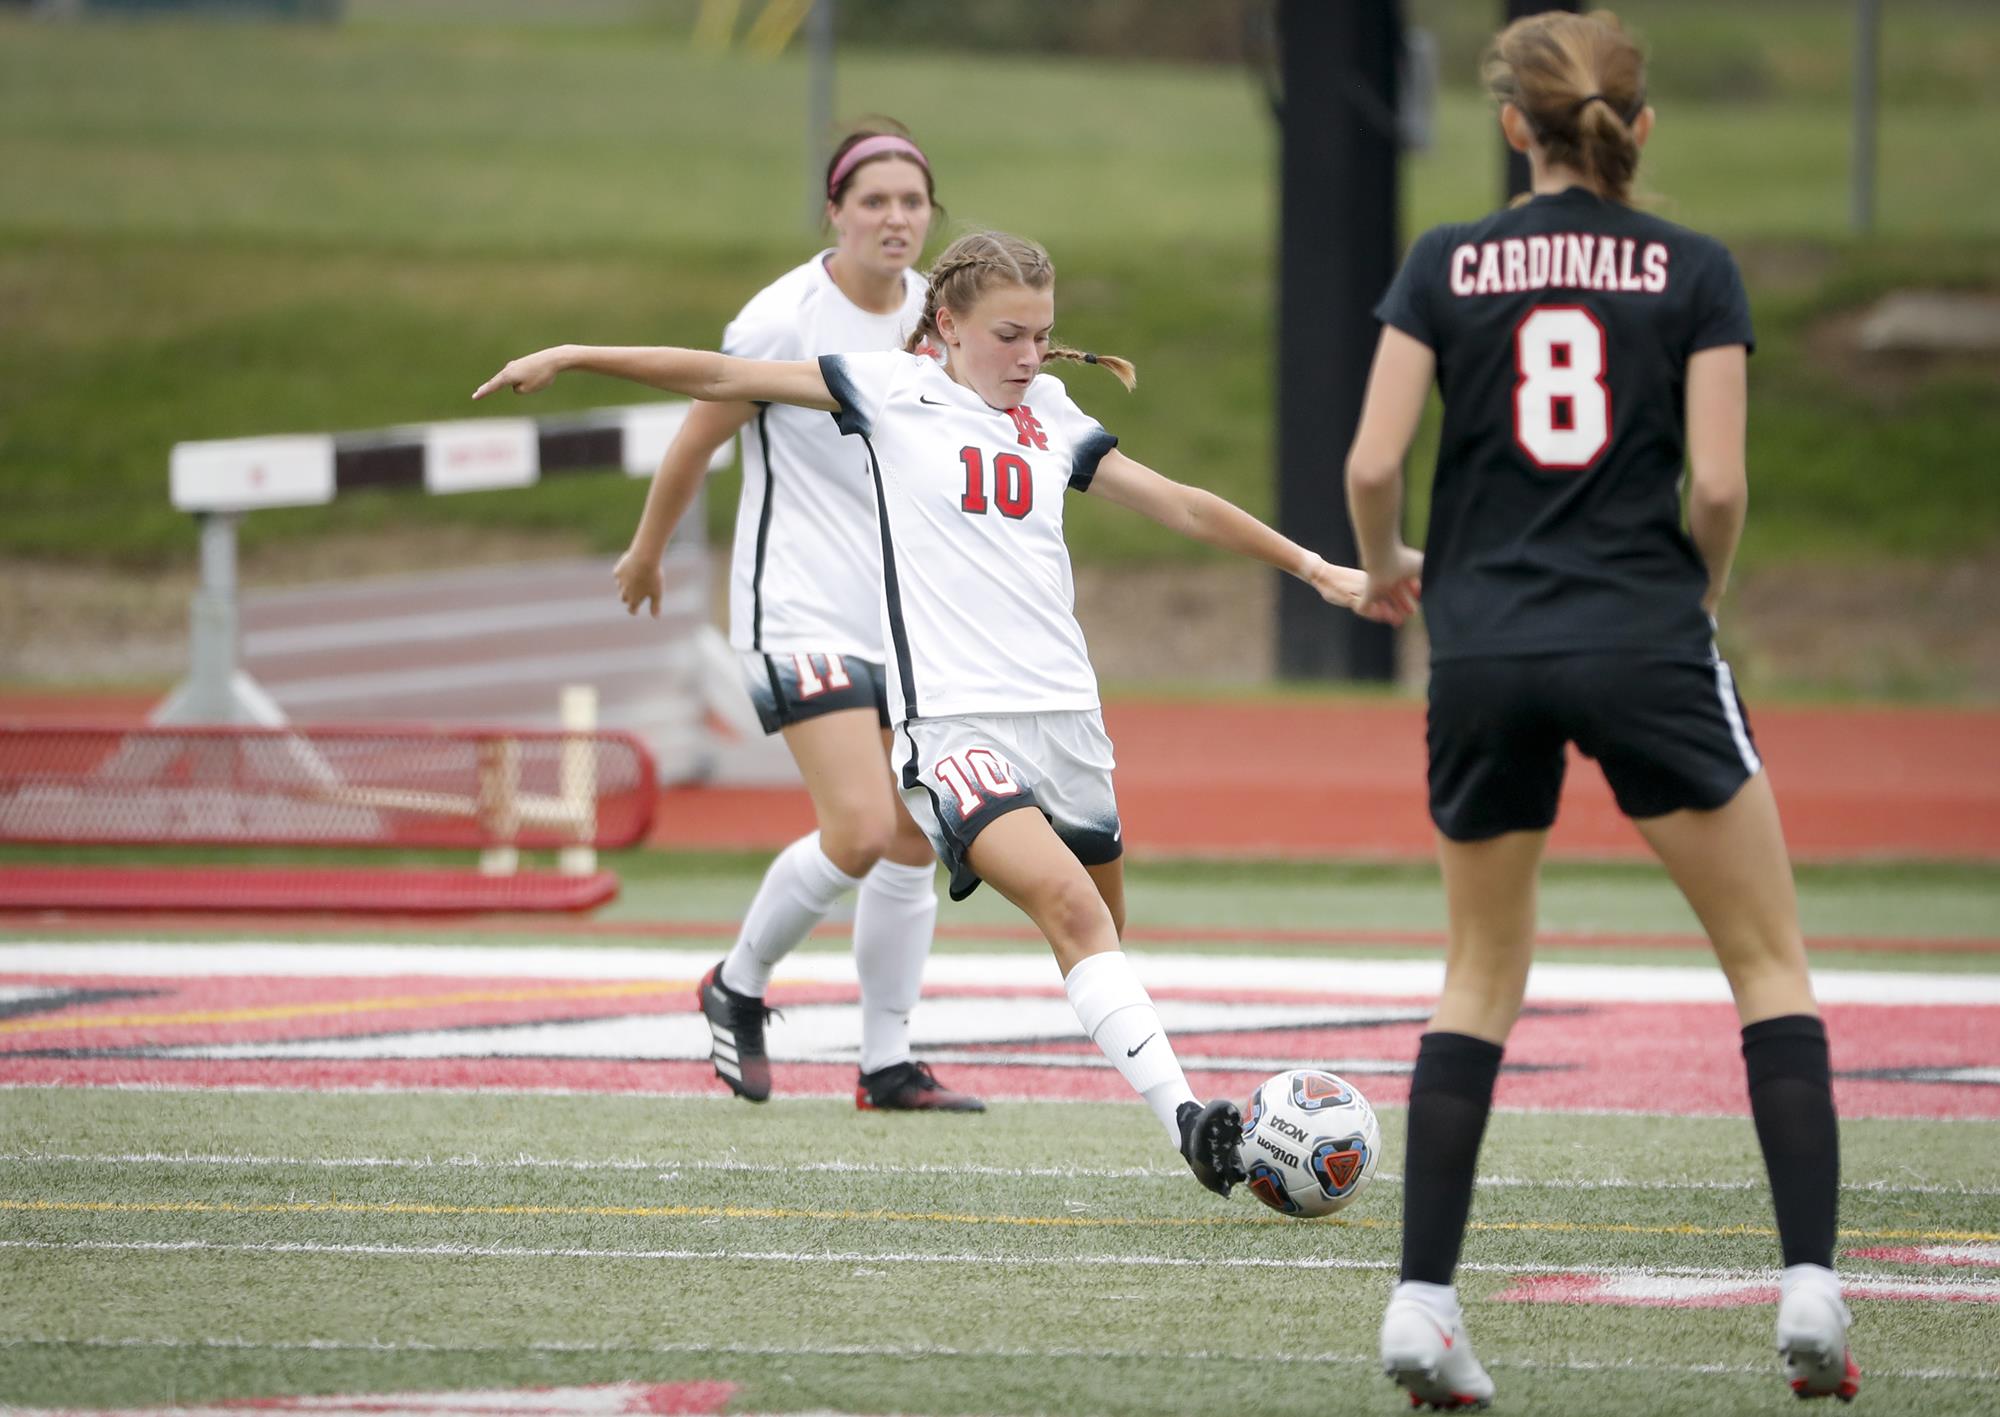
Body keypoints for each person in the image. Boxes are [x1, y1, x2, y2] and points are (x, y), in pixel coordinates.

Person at [476, 228, 1416, 1195]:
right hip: (956, 728)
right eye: (1009, 334)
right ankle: (1189, 1124)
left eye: (1043, 335)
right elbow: (720, 374)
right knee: (1069, 908)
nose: (1028, 356)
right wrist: (574, 354)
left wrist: (1315, 568)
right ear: (948, 324)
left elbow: (1178, 503)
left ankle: (1005, 1069)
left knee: (1101, 934)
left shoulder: (1051, 408)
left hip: (1067, 723)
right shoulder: (886, 391)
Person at [1343, 11, 1856, 1409]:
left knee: (1479, 976)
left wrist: (1393, 568)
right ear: (1641, 126)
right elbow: (1724, 488)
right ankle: (1808, 1284)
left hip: (1488, 646)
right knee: (1767, 961)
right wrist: (1695, 591)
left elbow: (1375, 460)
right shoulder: (1693, 267)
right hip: (1642, 635)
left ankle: (1423, 1305)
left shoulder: (1446, 260)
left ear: (1512, 125)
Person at [612, 122, 983, 1114]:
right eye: (874, 201)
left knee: (916, 834)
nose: (895, 218)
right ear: (835, 212)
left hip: (903, 616)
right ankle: (734, 984)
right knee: (861, 825)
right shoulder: (781, 318)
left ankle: (886, 1064)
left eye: (912, 201)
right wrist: (648, 549)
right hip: (797, 608)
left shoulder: (940, 315)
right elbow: (698, 437)